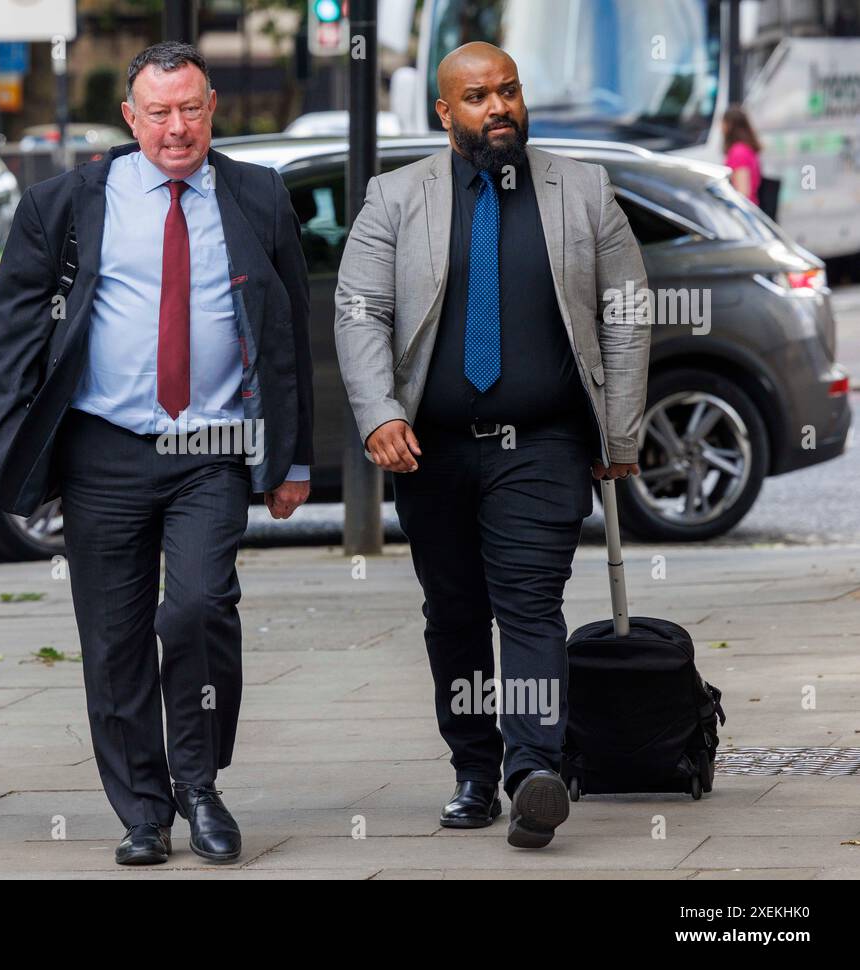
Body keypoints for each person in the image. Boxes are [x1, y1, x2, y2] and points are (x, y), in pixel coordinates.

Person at [0, 42, 313, 865]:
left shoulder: (257, 194)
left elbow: (286, 337)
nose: (177, 127)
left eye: (191, 108)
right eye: (158, 112)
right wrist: (11, 449)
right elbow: (15, 334)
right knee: (113, 637)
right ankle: (142, 811)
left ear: (212, 111)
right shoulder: (63, 203)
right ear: (130, 119)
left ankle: (199, 786)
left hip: (212, 446)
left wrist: (293, 458)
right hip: (104, 448)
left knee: (199, 608)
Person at [334, 42, 651, 849]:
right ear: (444, 113)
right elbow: (361, 309)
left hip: (543, 443)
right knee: (456, 614)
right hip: (431, 448)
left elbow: (626, 308)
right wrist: (377, 414)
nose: (498, 107)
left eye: (508, 90)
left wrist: (619, 428)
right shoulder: (396, 197)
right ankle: (474, 770)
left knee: (531, 603)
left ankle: (534, 769)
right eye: (477, 97)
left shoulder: (581, 190)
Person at [722, 104, 762, 206]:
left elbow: (743, 192)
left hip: (743, 212)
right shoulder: (745, 148)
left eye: (723, 123)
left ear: (729, 125)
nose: (720, 127)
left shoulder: (739, 152)